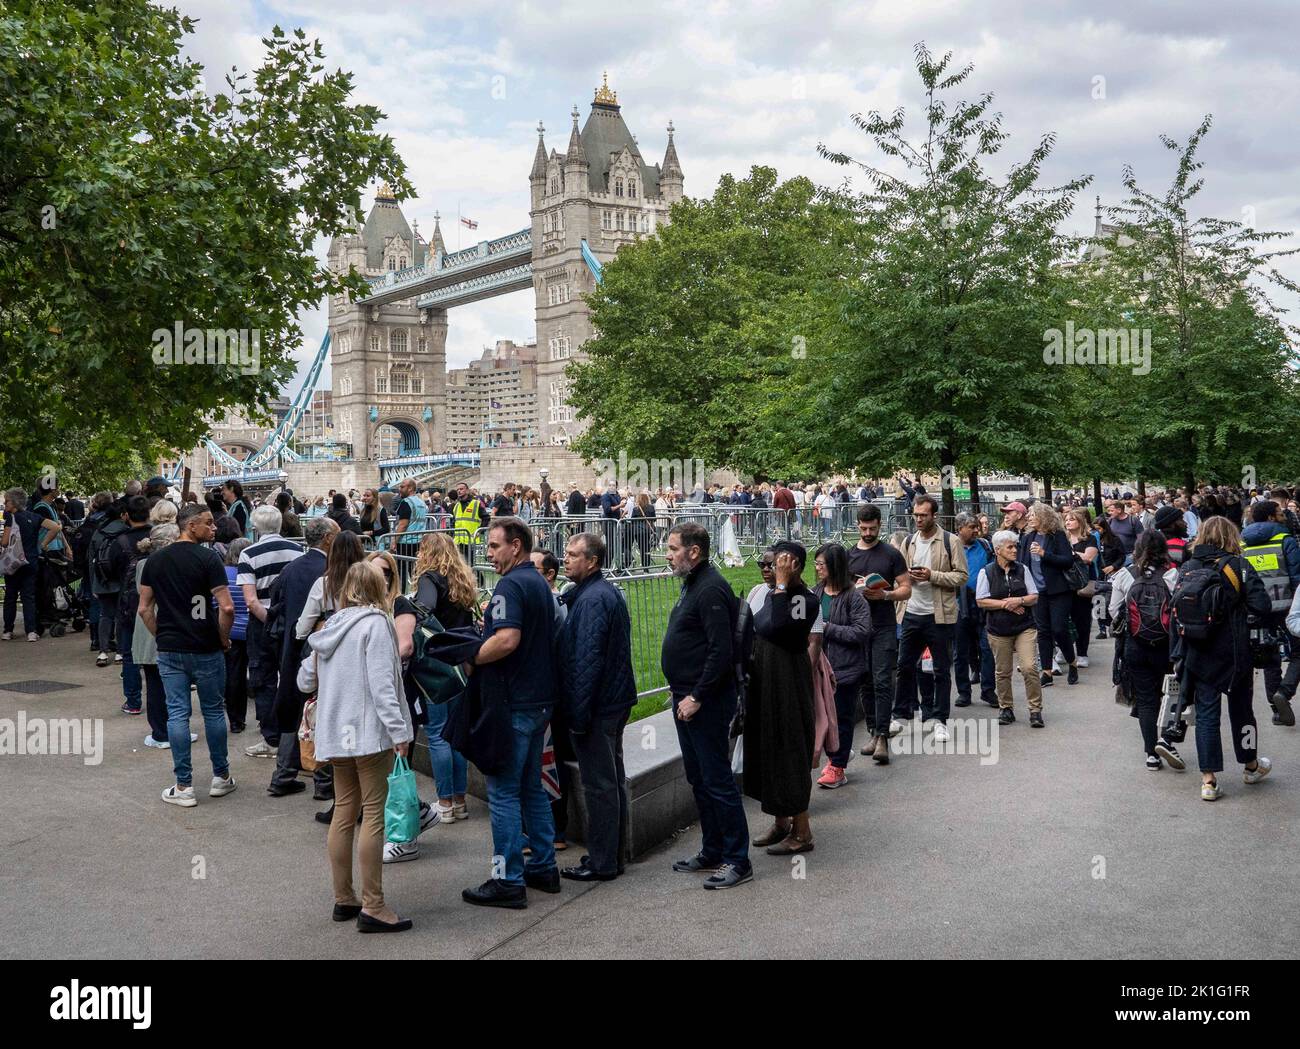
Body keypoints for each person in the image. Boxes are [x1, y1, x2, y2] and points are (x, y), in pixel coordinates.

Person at [296, 561, 415, 932]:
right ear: (378, 588)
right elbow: (382, 685)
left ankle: (343, 897)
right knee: (374, 814)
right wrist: (400, 732)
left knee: (344, 811)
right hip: (368, 733)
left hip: (335, 734)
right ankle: (374, 905)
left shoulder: (331, 626)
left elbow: (305, 680)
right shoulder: (376, 624)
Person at [461, 517, 560, 909]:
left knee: (502, 793)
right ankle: (544, 866)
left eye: (494, 545)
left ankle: (507, 880)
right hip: (538, 701)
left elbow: (506, 639)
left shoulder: (510, 585)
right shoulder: (538, 582)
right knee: (531, 787)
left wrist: (472, 655)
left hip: (516, 703)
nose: (488, 552)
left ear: (515, 546)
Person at [662, 522, 750, 889]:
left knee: (717, 779)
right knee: (699, 778)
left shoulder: (711, 587)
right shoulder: (693, 583)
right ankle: (712, 849)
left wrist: (697, 696)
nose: (667, 555)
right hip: (686, 697)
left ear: (693, 552)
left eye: (672, 549)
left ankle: (737, 859)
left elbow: (721, 652)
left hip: (705, 702)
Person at [137, 503, 237, 807]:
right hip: (205, 646)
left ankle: (184, 786)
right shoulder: (209, 559)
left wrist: (160, 635)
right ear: (190, 526)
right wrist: (223, 638)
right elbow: (227, 607)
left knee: (177, 713)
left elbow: (144, 609)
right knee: (213, 710)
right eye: (208, 523)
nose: (214, 528)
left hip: (170, 647)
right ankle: (221, 776)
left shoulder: (155, 561)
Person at [558, 531, 636, 882]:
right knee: (611, 782)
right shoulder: (596, 594)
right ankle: (611, 857)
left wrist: (578, 714)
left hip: (599, 707)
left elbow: (587, 662)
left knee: (601, 786)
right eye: (566, 553)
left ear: (592, 561)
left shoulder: (593, 600)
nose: (566, 559)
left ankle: (604, 861)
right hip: (611, 702)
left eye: (573, 555)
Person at [1177, 517, 1274, 800]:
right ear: (1231, 537)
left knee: (1206, 715)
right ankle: (1250, 765)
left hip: (1198, 651)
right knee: (1242, 711)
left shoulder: (1188, 568)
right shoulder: (1238, 566)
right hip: (1234, 651)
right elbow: (1262, 605)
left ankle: (1208, 780)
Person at [266, 517, 339, 804]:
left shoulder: (291, 569)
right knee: (320, 710)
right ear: (328, 539)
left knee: (293, 710)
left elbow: (277, 608)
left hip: (291, 649)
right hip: (320, 649)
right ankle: (323, 780)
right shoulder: (332, 573)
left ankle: (283, 774)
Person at [411, 533, 477, 822]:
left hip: (437, 664)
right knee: (456, 732)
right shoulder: (461, 579)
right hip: (462, 661)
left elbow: (424, 610)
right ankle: (460, 800)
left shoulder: (430, 578)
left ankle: (445, 801)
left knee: (438, 733)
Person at [893, 495, 968, 742]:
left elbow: (961, 577)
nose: (919, 519)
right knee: (905, 665)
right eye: (916, 515)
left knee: (940, 669)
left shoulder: (950, 541)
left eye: (923, 515)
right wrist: (909, 579)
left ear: (934, 515)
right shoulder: (909, 541)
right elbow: (900, 576)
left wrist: (931, 575)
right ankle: (900, 713)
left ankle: (940, 719)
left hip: (939, 614)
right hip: (912, 611)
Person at [1108, 531, 1180, 770]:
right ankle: (1167, 740)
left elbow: (1113, 610)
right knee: (1171, 695)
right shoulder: (1172, 573)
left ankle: (1151, 754)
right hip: (1166, 646)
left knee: (1147, 699)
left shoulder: (1125, 575)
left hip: (1135, 645)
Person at [236, 507, 302, 755]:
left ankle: (271, 738)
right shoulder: (297, 551)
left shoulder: (248, 554)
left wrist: (269, 621)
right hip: (292, 621)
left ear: (255, 527)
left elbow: (250, 600)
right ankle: (292, 733)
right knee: (291, 676)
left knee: (263, 679)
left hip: (262, 622)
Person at [847, 503, 911, 760]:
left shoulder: (890, 555)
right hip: (858, 626)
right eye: (863, 529)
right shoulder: (849, 554)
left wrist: (885, 594)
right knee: (865, 681)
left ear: (879, 526)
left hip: (883, 623)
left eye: (872, 529)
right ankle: (873, 731)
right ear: (857, 526)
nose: (867, 533)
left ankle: (883, 736)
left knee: (882, 679)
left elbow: (906, 588)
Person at [812, 543, 872, 788]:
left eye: (820, 564)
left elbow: (862, 631)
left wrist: (828, 628)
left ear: (834, 566)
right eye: (815, 564)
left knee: (841, 718)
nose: (816, 568)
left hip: (846, 670)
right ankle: (838, 754)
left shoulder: (854, 598)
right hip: (820, 669)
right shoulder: (814, 593)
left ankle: (838, 767)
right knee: (822, 717)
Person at [1240, 500, 1300, 726]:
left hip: (1257, 610)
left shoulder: (1243, 544)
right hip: (1287, 607)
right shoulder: (1285, 540)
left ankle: (1276, 710)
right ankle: (1284, 693)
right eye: (1279, 513)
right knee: (1298, 654)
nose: (1283, 515)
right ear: (1271, 517)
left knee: (1269, 657)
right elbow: (1297, 577)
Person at [131, 524, 191, 749]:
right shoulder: (164, 564)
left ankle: (164, 731)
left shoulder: (143, 564)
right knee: (165, 683)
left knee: (159, 682)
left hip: (153, 625)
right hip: (160, 624)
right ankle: (164, 731)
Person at [976, 530, 1044, 726]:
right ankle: (1006, 708)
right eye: (1010, 547)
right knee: (1003, 671)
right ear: (998, 550)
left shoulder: (1022, 569)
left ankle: (1035, 710)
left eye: (1016, 546)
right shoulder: (986, 572)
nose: (1015, 550)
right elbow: (981, 601)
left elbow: (1034, 596)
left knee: (1030, 667)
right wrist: (1006, 604)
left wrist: (1019, 600)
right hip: (998, 629)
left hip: (1025, 627)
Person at [1020, 503, 1079, 688]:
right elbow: (1023, 563)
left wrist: (1044, 553)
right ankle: (1046, 672)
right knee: (1043, 631)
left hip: (1058, 590)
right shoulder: (1028, 537)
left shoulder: (1057, 536)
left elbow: (1067, 561)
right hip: (1038, 592)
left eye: (1032, 514)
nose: (1029, 517)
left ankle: (1072, 662)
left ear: (1043, 516)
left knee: (1059, 628)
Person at [109, 497, 153, 714]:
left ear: (126, 515)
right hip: (157, 601)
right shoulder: (159, 537)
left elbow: (111, 569)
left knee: (129, 653)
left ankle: (134, 701)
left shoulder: (120, 542)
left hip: (129, 600)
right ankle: (158, 699)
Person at [954, 512, 997, 707]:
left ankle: (988, 691)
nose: (976, 530)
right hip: (957, 606)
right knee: (960, 652)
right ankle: (964, 692)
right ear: (960, 528)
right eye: (971, 527)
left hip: (983, 606)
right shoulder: (950, 548)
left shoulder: (985, 546)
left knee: (987, 649)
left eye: (976, 526)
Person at [88, 498, 129, 665]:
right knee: (120, 616)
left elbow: (90, 559)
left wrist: (93, 583)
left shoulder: (99, 532)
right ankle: (120, 652)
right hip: (121, 580)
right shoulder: (126, 531)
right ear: (122, 515)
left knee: (105, 615)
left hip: (102, 580)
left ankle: (103, 651)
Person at [1, 488, 42, 641]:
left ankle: (8, 630)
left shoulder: (11, 518)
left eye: (7, 501)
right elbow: (55, 527)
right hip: (30, 560)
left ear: (15, 503)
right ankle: (31, 631)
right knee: (28, 597)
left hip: (13, 562)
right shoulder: (34, 517)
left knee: (10, 596)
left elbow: (5, 542)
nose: (5, 504)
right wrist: (43, 544)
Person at [1064, 509, 1100, 669]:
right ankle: (1063, 650)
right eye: (1066, 519)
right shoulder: (1062, 538)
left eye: (1071, 519)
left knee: (1082, 620)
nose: (1067, 522)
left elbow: (1088, 557)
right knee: (1063, 620)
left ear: (1080, 522)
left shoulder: (1089, 539)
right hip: (1064, 584)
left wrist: (1070, 553)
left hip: (1082, 584)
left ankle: (1082, 653)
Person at [222, 538, 252, 734]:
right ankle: (264, 718)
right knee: (260, 673)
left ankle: (236, 720)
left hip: (230, 631)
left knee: (234, 676)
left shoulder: (223, 575)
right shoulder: (251, 575)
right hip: (252, 630)